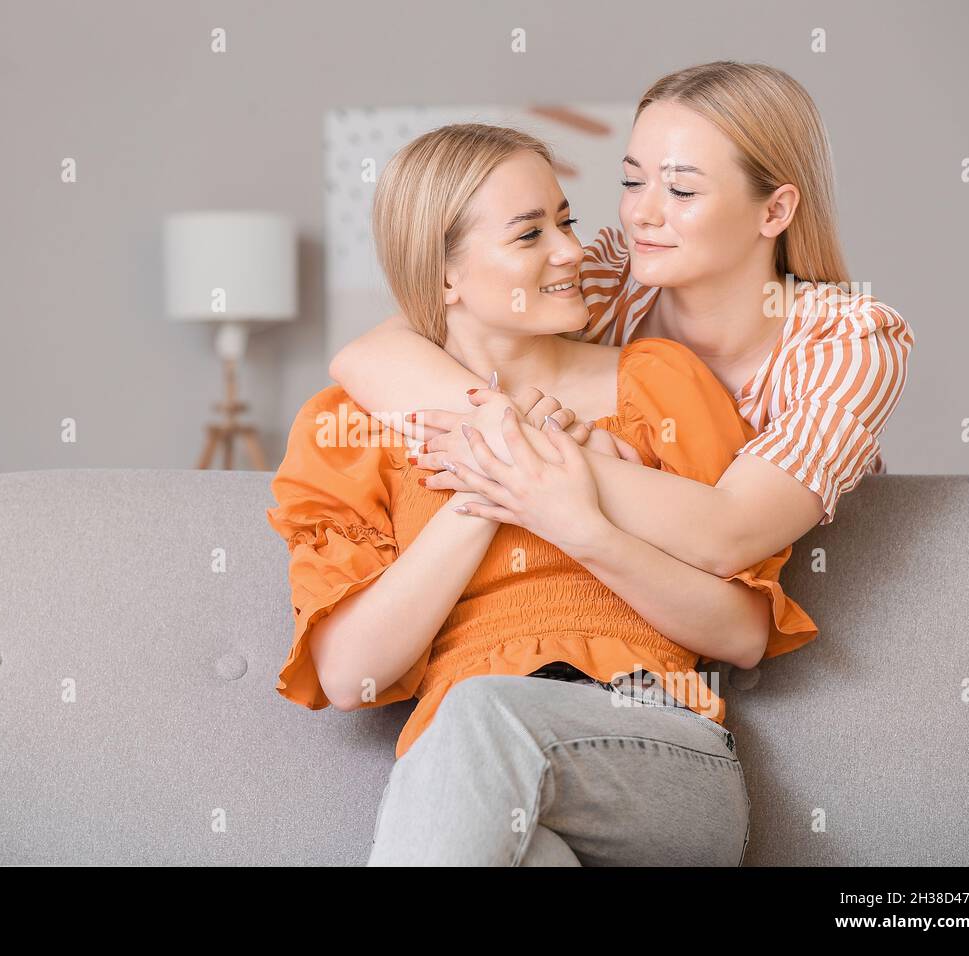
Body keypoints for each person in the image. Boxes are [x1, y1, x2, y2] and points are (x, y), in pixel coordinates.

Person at [267, 121, 816, 865]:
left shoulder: (657, 380)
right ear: (444, 277)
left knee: (481, 715)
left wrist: (580, 523)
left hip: (659, 752)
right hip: (474, 785)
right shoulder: (350, 423)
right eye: (530, 236)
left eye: (567, 220)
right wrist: (490, 489)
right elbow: (348, 675)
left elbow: (743, 635)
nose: (571, 252)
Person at [329, 61, 915, 580]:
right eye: (632, 181)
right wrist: (523, 440)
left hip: (795, 611)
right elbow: (369, 355)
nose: (642, 213)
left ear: (775, 210)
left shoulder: (851, 341)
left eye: (682, 190)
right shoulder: (607, 279)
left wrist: (529, 454)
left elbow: (728, 535)